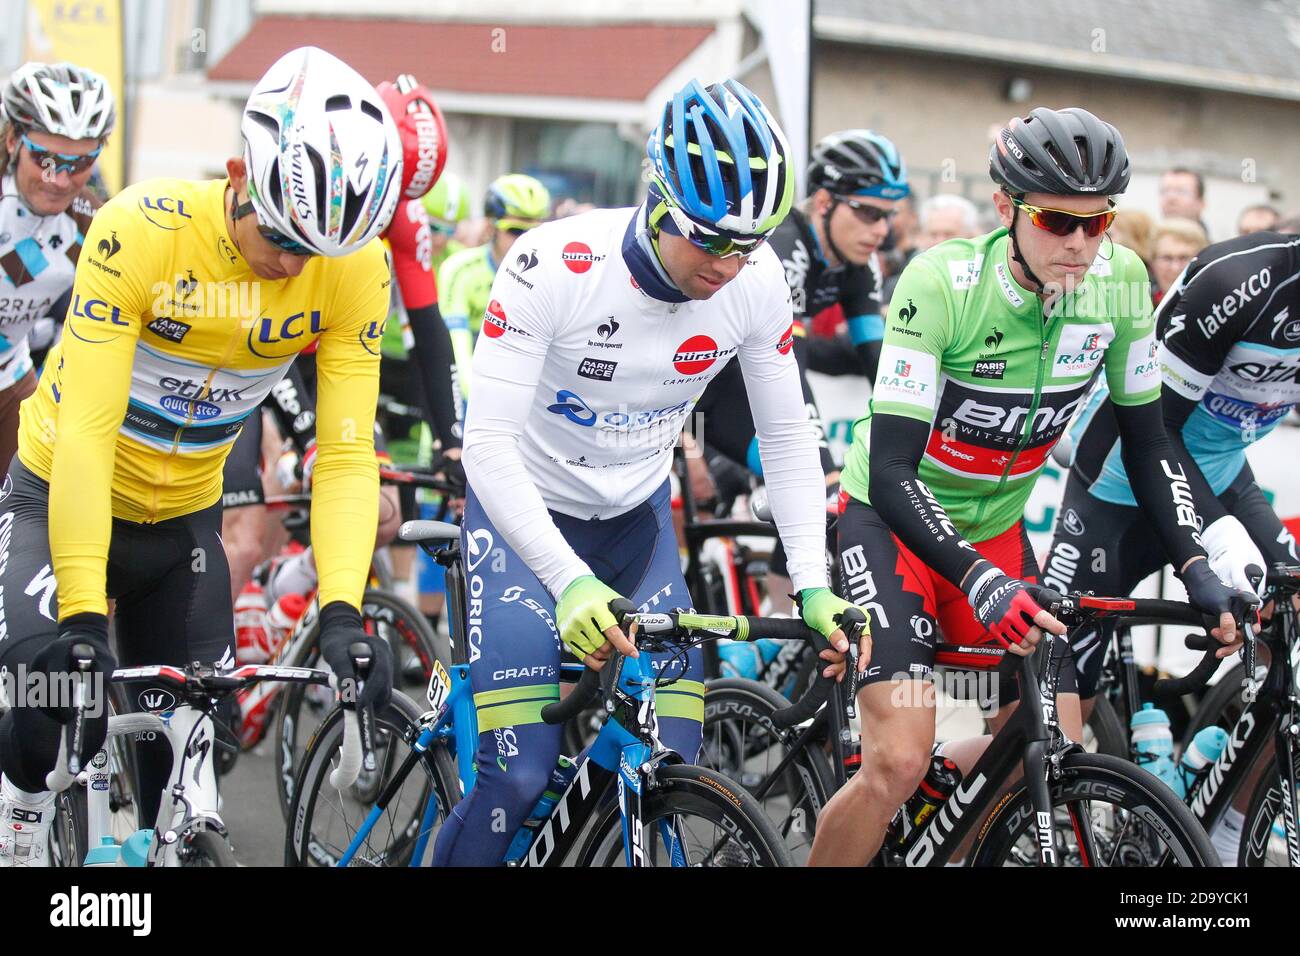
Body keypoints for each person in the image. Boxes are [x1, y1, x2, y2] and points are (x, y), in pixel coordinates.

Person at [807, 106, 1251, 867]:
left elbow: (1148, 444)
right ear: (1007, 207)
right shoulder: (941, 283)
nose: (1080, 244)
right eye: (1056, 221)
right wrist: (978, 579)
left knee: (1051, 740)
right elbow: (890, 468)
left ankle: (942, 814)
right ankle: (909, 789)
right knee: (898, 759)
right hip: (897, 526)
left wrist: (1199, 566)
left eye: (1099, 222)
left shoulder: (1118, 284)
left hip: (997, 530)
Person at [431, 77, 859, 866]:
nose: (730, 264)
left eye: (749, 242)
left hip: (635, 522)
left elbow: (789, 434)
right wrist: (565, 580)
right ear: (657, 202)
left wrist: (813, 580)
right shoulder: (553, 264)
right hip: (523, 527)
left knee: (669, 754)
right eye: (709, 238)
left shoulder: (755, 280)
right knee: (518, 775)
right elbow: (485, 444)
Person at [0, 45, 400, 866]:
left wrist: (342, 613)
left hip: (181, 524)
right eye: (283, 236)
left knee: (183, 781)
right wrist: (80, 617)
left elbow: (349, 455)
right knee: (42, 711)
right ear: (237, 175)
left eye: (315, 253)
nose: (293, 266)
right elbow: (84, 431)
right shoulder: (141, 233)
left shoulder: (357, 267)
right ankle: (22, 821)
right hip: (61, 495)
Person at [0, 62, 113, 473]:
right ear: (13, 140)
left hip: (10, 378)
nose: (60, 180)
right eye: (46, 159)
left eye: (80, 164)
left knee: (41, 495)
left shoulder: (93, 223)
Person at [438, 173, 550, 403]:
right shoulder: (460, 270)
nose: (525, 241)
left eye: (535, 232)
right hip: (468, 391)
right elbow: (457, 355)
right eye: (515, 231)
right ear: (491, 226)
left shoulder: (552, 278)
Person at [1151, 217, 1208, 304]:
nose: (1175, 268)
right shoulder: (1139, 306)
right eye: (1167, 258)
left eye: (1184, 258)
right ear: (1153, 263)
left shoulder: (1213, 307)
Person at [915, 193, 980, 250]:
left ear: (970, 236)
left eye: (949, 234)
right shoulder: (913, 262)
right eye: (933, 235)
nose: (939, 242)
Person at [1159, 166, 1210, 238]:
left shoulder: (1215, 248)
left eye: (1181, 191)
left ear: (1201, 203)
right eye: (1165, 191)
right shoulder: (1147, 246)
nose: (1171, 198)